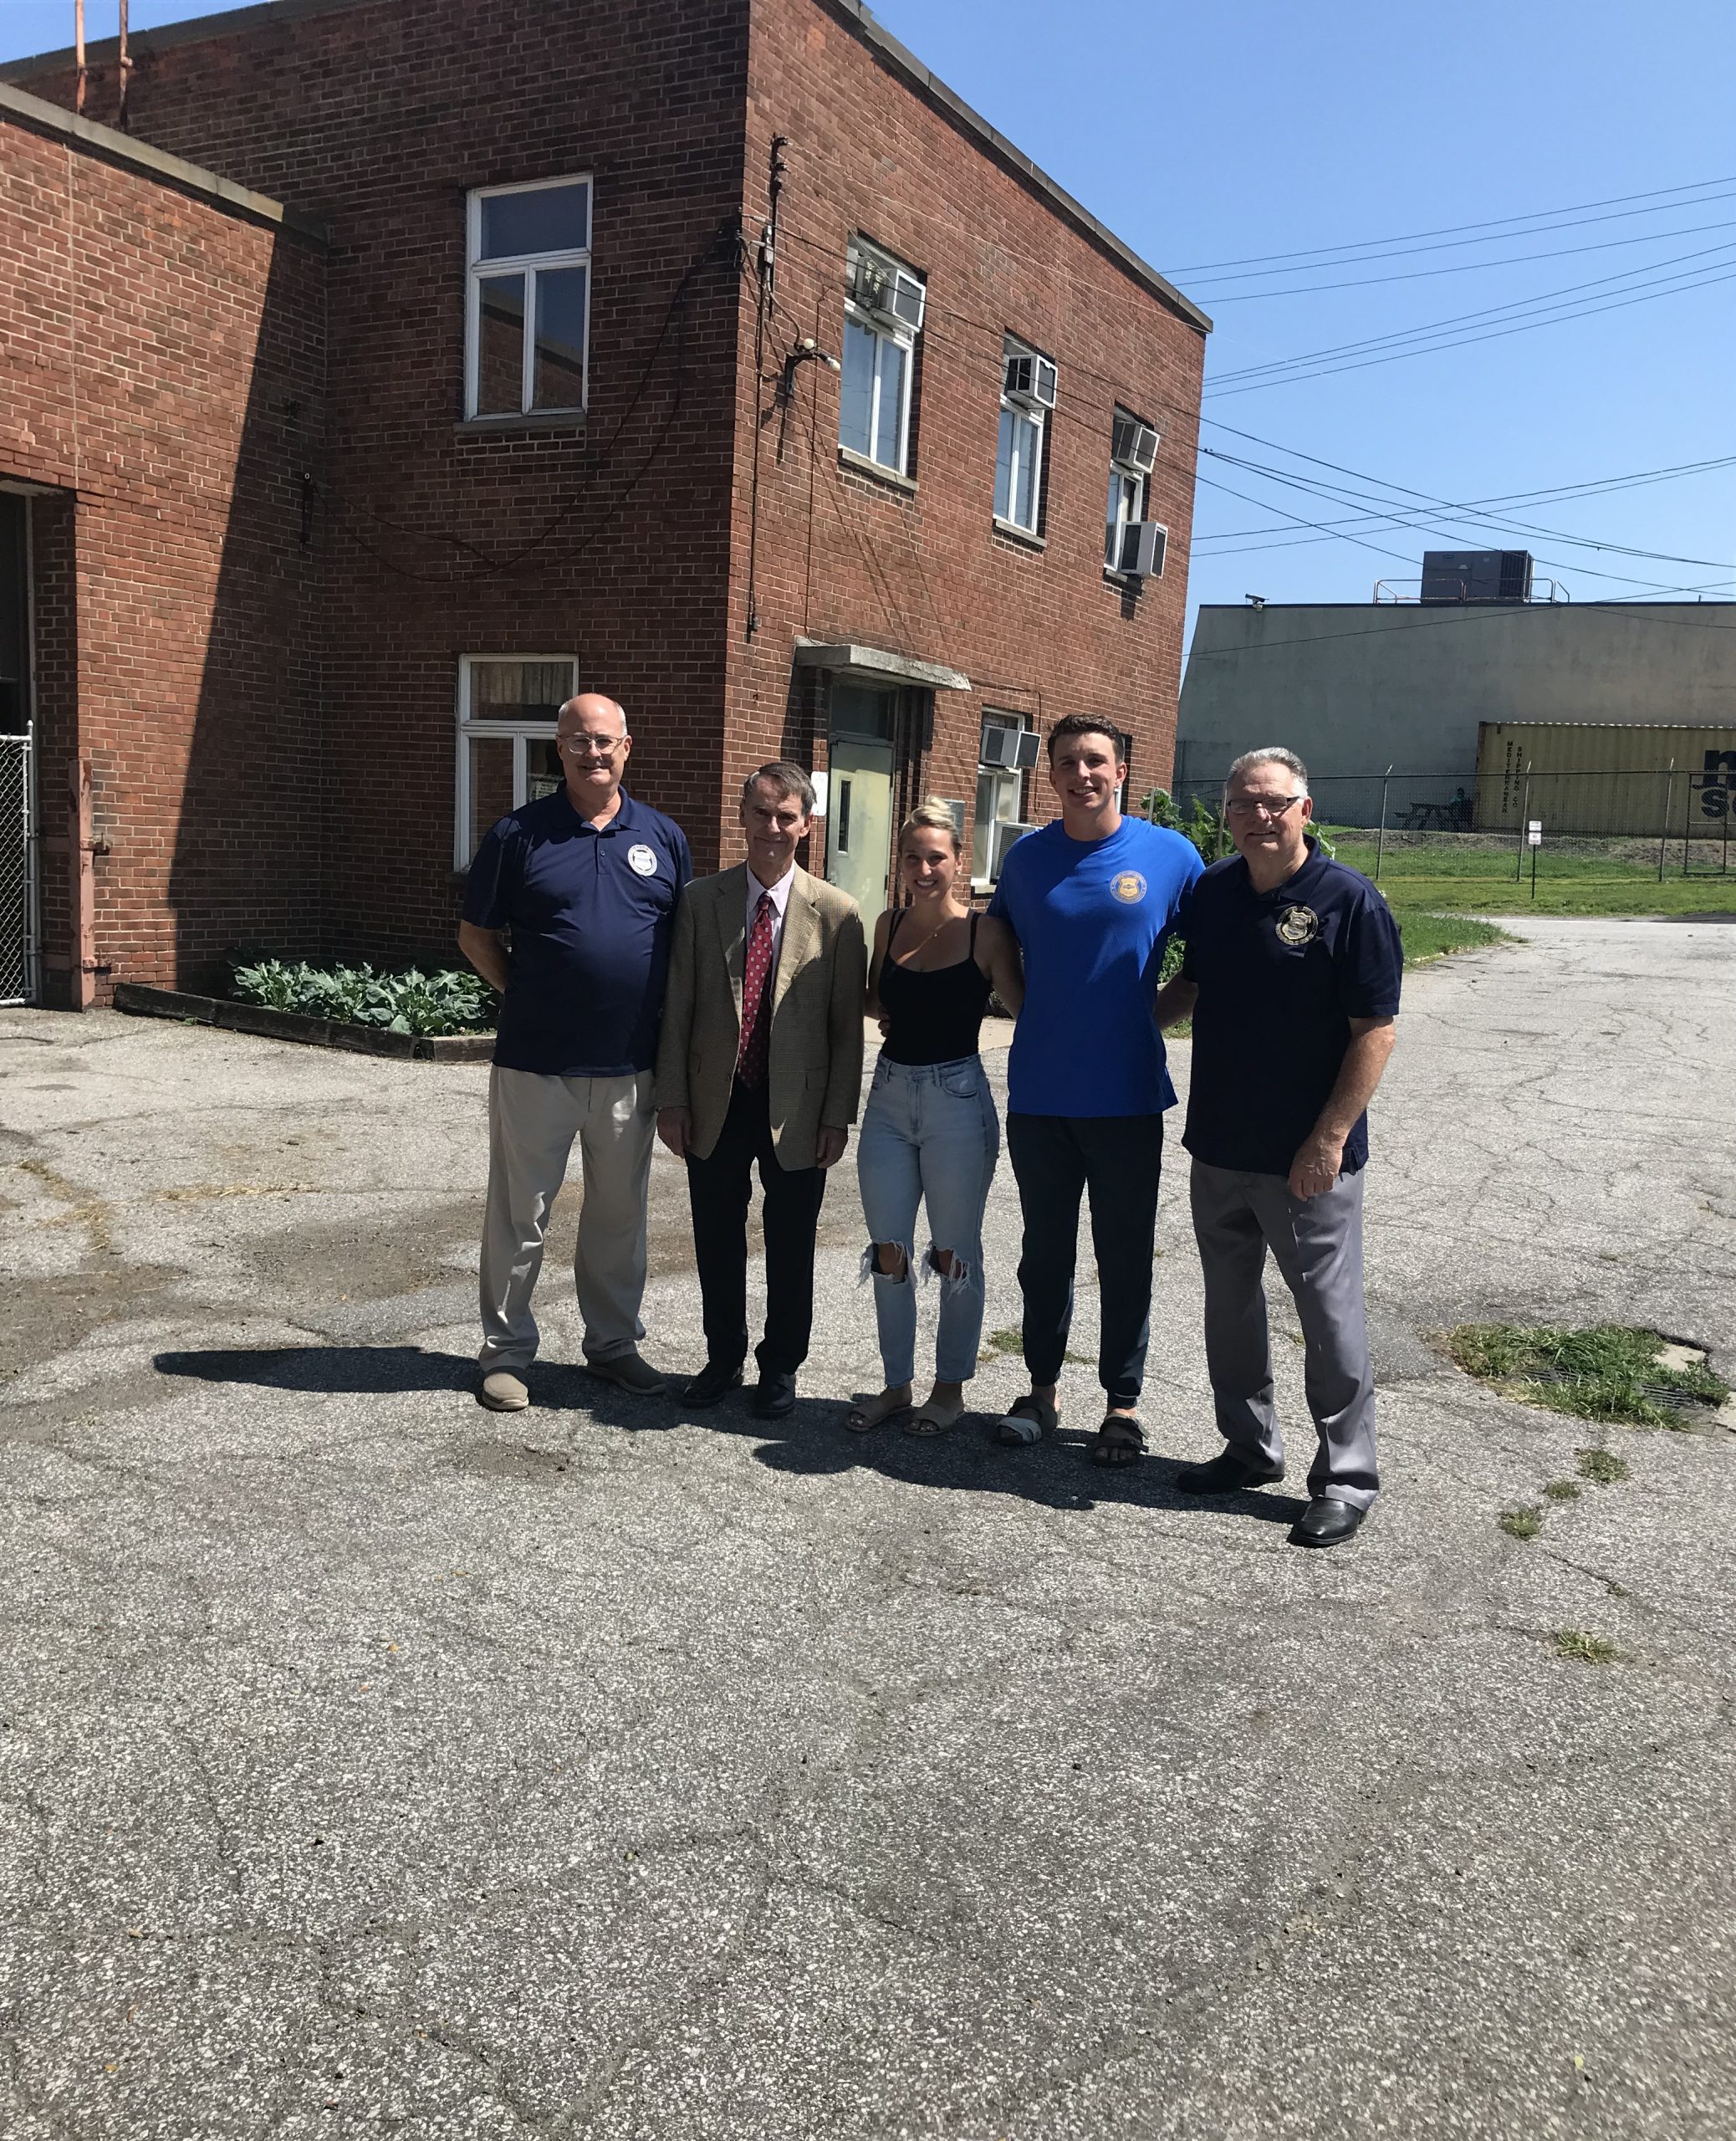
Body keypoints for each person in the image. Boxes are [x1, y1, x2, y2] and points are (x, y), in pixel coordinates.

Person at [1156, 745, 1402, 1549]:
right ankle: (1248, 1446)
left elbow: (1375, 1032)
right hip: (1220, 1144)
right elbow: (1191, 987)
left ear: (1305, 808)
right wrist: (1116, 1018)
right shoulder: (1217, 893)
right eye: (1242, 804)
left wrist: (1329, 1138)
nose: (1259, 817)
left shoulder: (1348, 902)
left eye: (1274, 803)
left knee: (1328, 1319)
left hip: (1307, 1158)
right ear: (1225, 813)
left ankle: (1346, 1479)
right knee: (1230, 1309)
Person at [458, 692, 692, 1412]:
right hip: (536, 1063)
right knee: (520, 1212)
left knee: (619, 1215)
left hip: (630, 1066)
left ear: (628, 747)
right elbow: (476, 936)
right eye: (579, 742)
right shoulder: (517, 835)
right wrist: (524, 992)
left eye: (606, 742)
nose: (594, 754)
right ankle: (504, 1352)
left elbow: (680, 946)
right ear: (558, 750)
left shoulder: (662, 837)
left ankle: (613, 1344)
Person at [987, 714, 1202, 1464]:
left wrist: (1154, 1017)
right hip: (1041, 1096)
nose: (1084, 774)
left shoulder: (1171, 856)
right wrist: (1028, 1013)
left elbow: (1206, 959)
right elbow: (997, 940)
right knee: (1043, 1252)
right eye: (1069, 763)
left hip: (1126, 1098)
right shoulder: (1025, 860)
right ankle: (1040, 1391)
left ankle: (1123, 1402)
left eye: (1097, 762)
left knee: (1123, 1252)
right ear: (1050, 775)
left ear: (1122, 771)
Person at [654, 764, 866, 1418]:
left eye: (786, 816)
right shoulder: (700, 901)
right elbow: (678, 1006)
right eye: (760, 813)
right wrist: (672, 1099)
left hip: (797, 1106)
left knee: (791, 1237)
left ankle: (780, 1366)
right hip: (716, 1100)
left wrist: (838, 1115)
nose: (772, 828)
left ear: (807, 824)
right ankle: (723, 1357)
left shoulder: (837, 913)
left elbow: (844, 1030)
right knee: (716, 1234)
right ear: (742, 818)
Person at [850, 800, 1024, 1437]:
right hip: (889, 1100)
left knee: (954, 1253)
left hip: (957, 1100)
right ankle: (897, 1385)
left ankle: (948, 1388)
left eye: (936, 857)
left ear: (959, 861)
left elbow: (1025, 1010)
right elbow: (875, 998)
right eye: (913, 857)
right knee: (889, 1251)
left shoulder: (987, 933)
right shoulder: (887, 923)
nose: (924, 868)